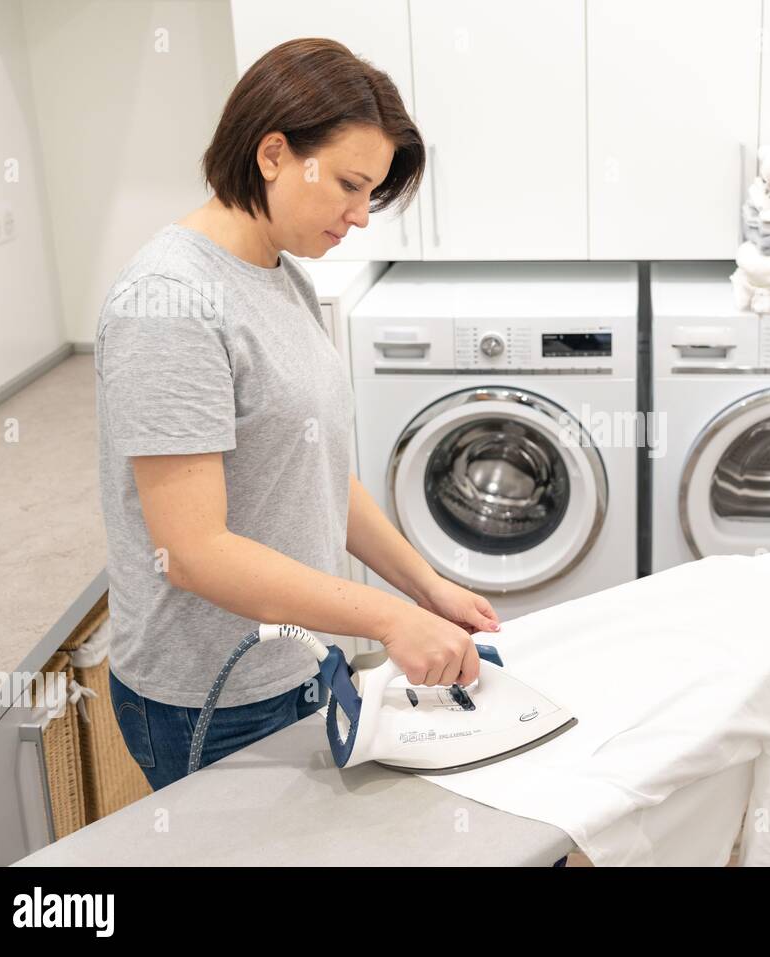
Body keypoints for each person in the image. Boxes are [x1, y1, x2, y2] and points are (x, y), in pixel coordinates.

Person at [95, 38, 499, 793]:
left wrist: (425, 585)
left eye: (370, 193)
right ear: (274, 151)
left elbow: (313, 470)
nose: (360, 215)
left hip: (301, 660)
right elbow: (193, 550)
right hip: (211, 697)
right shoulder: (171, 304)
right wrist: (387, 619)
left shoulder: (282, 277)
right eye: (350, 185)